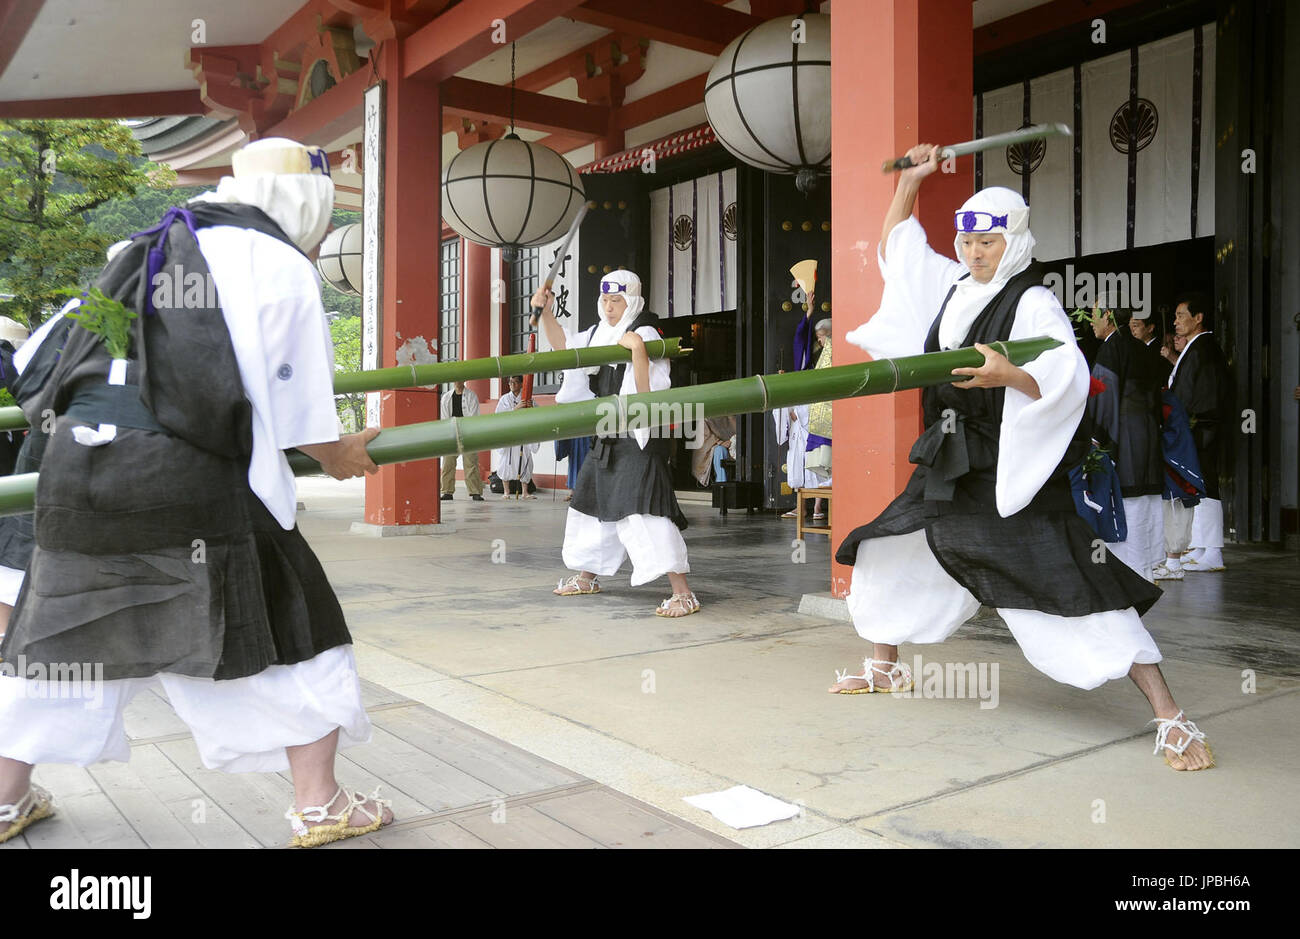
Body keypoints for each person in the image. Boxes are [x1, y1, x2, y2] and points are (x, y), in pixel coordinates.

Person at [0, 138, 396, 845]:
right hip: (192, 485)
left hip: (76, 475)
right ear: (309, 203)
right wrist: (344, 456)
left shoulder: (141, 243)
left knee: (56, 637)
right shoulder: (280, 264)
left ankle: (4, 799)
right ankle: (320, 802)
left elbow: (41, 362)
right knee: (296, 622)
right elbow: (304, 420)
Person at [828, 143, 1213, 772]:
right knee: (891, 545)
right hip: (944, 458)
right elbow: (899, 249)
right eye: (968, 241)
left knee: (1071, 576)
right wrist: (912, 181)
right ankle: (883, 669)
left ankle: (1169, 715)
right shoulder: (952, 291)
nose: (975, 253)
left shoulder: (1033, 300)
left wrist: (1012, 375)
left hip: (1006, 467)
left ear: (1016, 241)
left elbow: (1065, 376)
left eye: (990, 242)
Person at [533, 270, 699, 617]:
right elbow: (564, 348)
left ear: (632, 301)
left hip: (637, 435)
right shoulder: (598, 333)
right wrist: (546, 310)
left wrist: (638, 349)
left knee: (643, 511)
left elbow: (647, 394)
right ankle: (587, 576)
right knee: (590, 503)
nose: (609, 308)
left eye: (617, 301)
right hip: (606, 430)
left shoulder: (646, 330)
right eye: (605, 300)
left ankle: (683, 593)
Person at [1087, 303, 1165, 581]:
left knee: (1126, 504)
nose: (1090, 320)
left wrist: (1096, 438)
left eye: (1094, 313)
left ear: (1108, 316)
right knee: (1144, 503)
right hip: (1148, 436)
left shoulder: (1111, 349)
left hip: (1124, 437)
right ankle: (1145, 572)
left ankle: (1128, 577)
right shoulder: (1142, 349)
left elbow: (1102, 398)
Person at [1168, 292, 1232, 572]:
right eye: (1176, 316)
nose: (1176, 321)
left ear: (1198, 318)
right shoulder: (1196, 347)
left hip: (1201, 429)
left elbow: (1204, 396)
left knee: (1206, 488)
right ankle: (1202, 548)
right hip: (1197, 428)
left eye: (1182, 315)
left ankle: (1212, 552)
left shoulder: (1203, 348)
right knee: (1200, 487)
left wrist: (1187, 422)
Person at [494, 375, 539, 499]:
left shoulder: (528, 399)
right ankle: (506, 492)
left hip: (523, 433)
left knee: (525, 459)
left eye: (515, 382)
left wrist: (531, 408)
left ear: (521, 384)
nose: (512, 384)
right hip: (509, 433)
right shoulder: (504, 399)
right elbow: (499, 417)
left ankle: (525, 492)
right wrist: (515, 409)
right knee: (505, 462)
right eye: (510, 382)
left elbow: (538, 414)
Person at [439, 379, 484, 501]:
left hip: (467, 431)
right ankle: (447, 491)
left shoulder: (471, 396)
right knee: (448, 463)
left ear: (464, 380)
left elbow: (474, 416)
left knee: (471, 462)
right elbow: (444, 418)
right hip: (451, 432)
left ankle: (475, 492)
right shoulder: (446, 397)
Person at [1129, 308, 1173, 384]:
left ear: (1150, 328)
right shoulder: (1131, 348)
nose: (1132, 330)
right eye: (1130, 326)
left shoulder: (1162, 349)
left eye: (1135, 326)